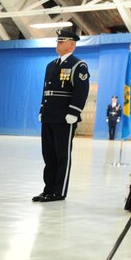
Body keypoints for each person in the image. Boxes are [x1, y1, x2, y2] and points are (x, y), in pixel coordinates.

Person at [32, 29, 90, 203]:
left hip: (65, 117)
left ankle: (59, 191)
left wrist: (74, 111)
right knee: (49, 155)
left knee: (62, 155)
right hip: (49, 115)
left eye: (61, 41)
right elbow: (46, 91)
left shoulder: (78, 65)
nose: (58, 43)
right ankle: (48, 189)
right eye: (58, 41)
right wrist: (42, 110)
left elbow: (81, 91)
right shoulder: (51, 65)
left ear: (71, 45)